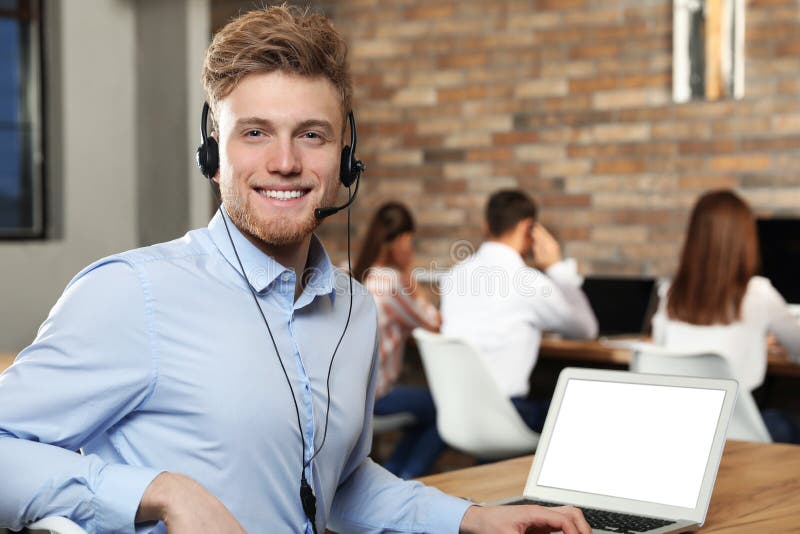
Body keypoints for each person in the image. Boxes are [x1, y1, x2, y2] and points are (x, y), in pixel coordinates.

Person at [0, 6, 591, 534]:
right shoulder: (133, 293)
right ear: (213, 153)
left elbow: (339, 484)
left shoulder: (354, 310)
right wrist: (162, 493)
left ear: (345, 159)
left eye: (311, 135)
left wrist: (470, 518)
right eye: (255, 133)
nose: (284, 162)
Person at [441, 189, 598, 432]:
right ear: (528, 229)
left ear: (486, 226)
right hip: (507, 416)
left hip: (458, 410)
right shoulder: (528, 283)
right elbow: (586, 329)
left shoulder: (454, 276)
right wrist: (556, 267)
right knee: (587, 411)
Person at [651, 189, 800, 443]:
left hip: (681, 433)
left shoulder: (670, 293)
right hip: (739, 438)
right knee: (784, 419)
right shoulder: (759, 293)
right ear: (746, 240)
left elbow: (660, 353)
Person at [352, 202, 445, 479]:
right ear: (402, 240)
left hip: (350, 394)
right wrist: (411, 278)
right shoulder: (391, 282)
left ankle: (394, 477)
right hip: (376, 397)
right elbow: (434, 323)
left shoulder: (353, 273)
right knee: (446, 408)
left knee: (425, 412)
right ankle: (403, 479)